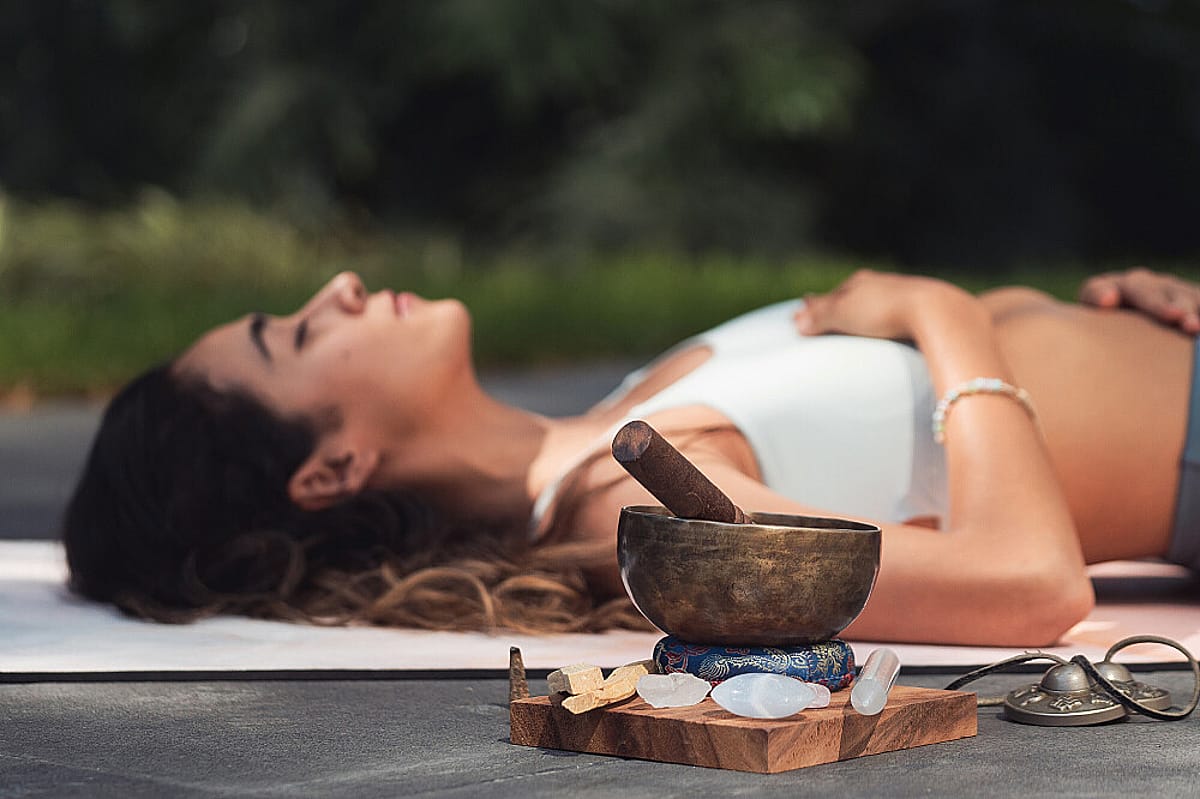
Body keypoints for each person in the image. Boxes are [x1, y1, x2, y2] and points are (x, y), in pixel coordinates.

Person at [62, 267, 1200, 646]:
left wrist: (1094, 308)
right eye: (302, 334)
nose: (341, 289)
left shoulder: (610, 417)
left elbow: (890, 401)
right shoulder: (638, 507)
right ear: (331, 469)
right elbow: (1026, 585)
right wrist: (954, 314)